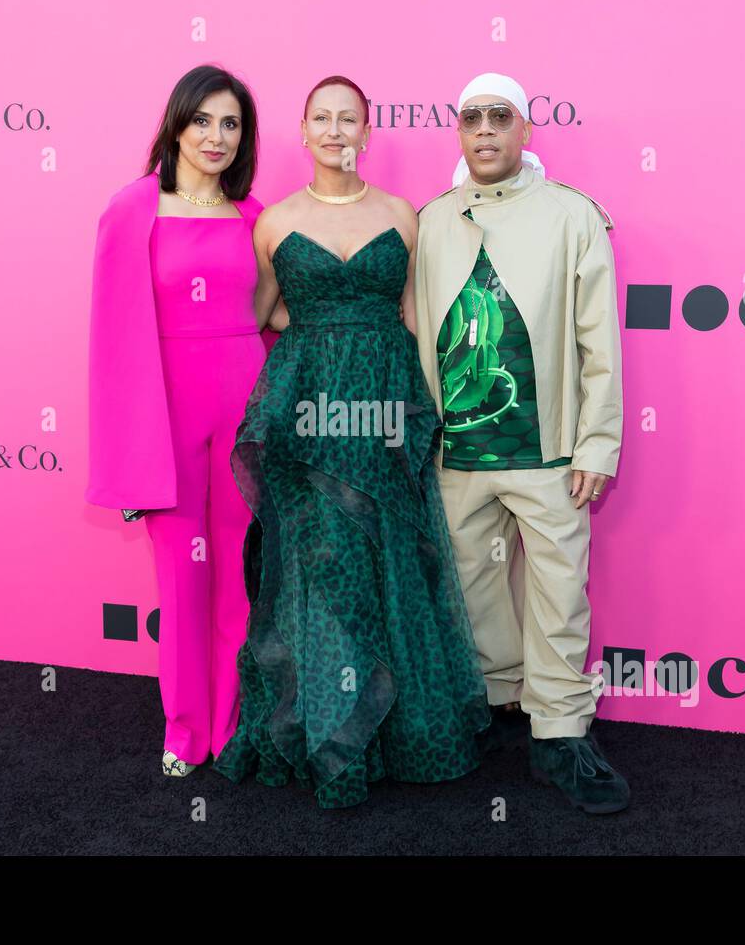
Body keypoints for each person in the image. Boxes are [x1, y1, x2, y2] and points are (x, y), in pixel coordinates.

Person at [211, 75, 491, 809]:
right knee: (325, 564)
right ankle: (332, 734)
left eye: (349, 119)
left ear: (368, 133)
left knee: (388, 556)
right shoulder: (273, 223)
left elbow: (411, 313)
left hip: (383, 410)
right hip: (309, 413)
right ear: (302, 133)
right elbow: (266, 313)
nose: (335, 130)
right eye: (321, 119)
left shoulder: (403, 216)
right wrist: (323, 349)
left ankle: (393, 730)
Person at [413, 72, 630, 813]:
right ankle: (501, 704)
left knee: (559, 590)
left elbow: (600, 342)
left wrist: (598, 444)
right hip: (458, 452)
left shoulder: (573, 217)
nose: (483, 130)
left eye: (498, 117)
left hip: (549, 449)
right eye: (470, 117)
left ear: (525, 130)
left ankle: (562, 732)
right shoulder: (433, 220)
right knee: (471, 586)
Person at [85, 64, 267, 778]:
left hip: (245, 412)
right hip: (169, 416)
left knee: (240, 580)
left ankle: (233, 728)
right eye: (203, 121)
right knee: (183, 578)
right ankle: (187, 730)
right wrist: (130, 457)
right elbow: (114, 340)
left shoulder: (256, 216)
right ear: (177, 124)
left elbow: (274, 318)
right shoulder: (134, 209)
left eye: (231, 124)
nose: (216, 137)